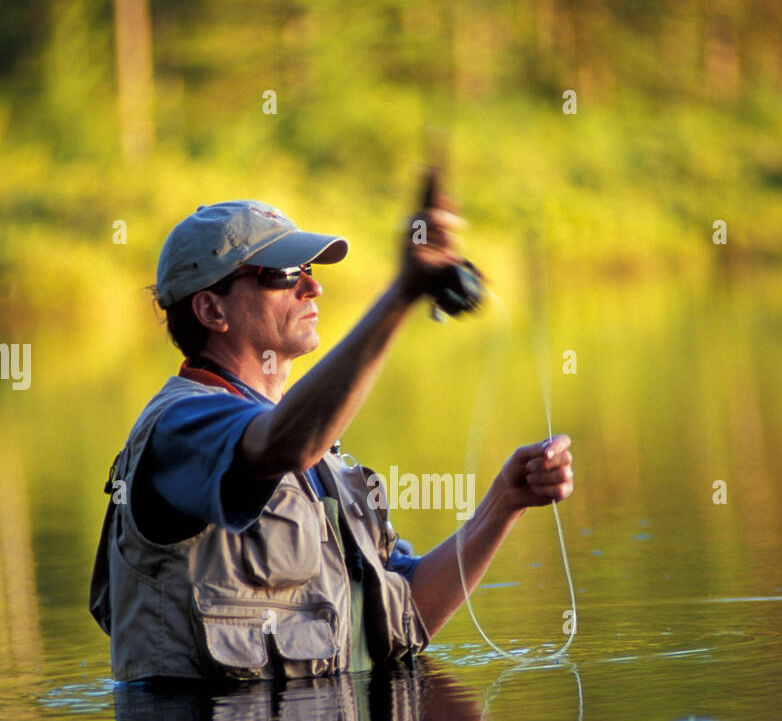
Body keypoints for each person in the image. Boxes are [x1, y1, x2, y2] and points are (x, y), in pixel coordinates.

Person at [89, 176, 574, 681]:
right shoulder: (181, 427)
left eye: (308, 269)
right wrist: (402, 294)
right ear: (212, 310)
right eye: (281, 273)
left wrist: (503, 503)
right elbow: (282, 442)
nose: (312, 285)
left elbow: (406, 611)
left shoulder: (321, 454)